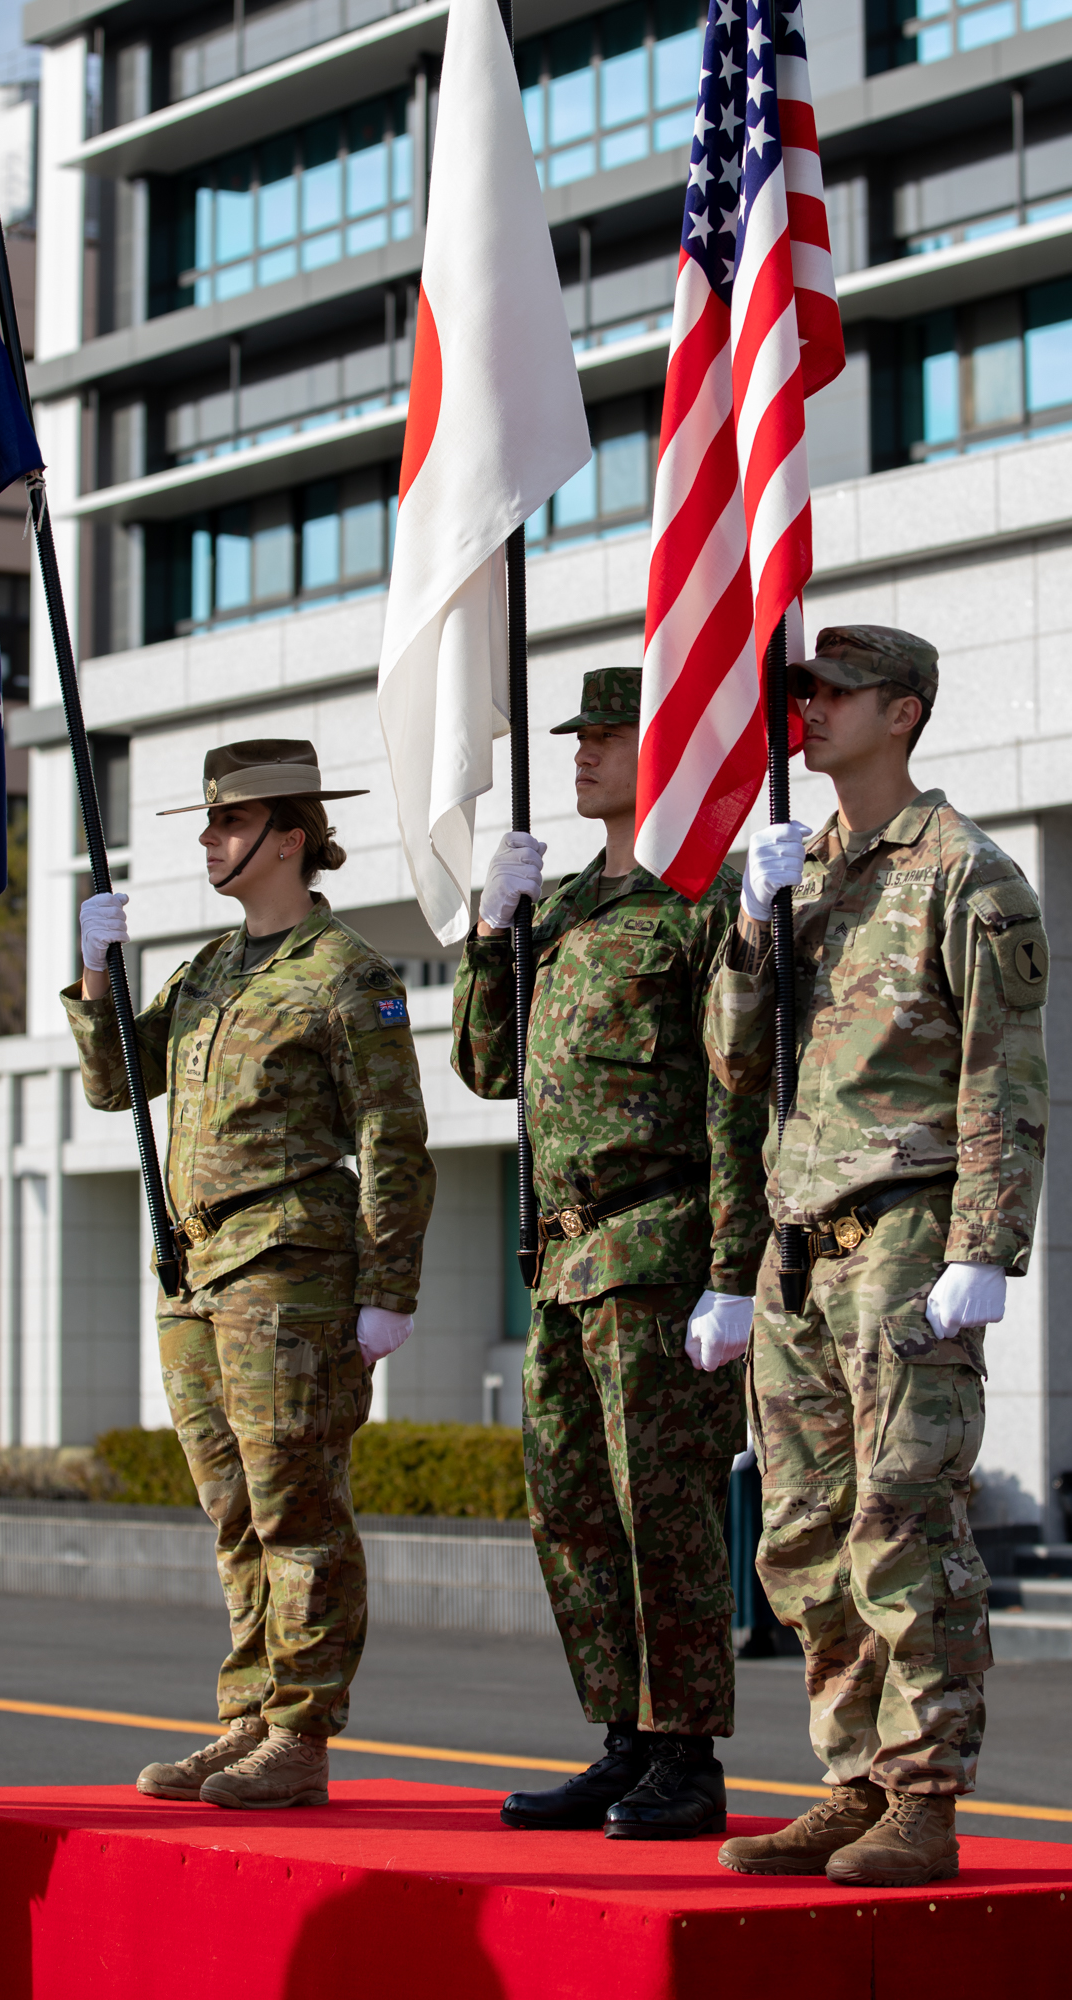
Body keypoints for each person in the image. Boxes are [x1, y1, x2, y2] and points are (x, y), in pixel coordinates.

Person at [705, 626, 1049, 1888]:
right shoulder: (798, 871)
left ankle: (921, 1795)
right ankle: (850, 1779)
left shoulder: (966, 872)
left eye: (833, 693)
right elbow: (733, 1062)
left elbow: (1002, 1072)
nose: (807, 712)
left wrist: (984, 1244)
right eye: (801, 693)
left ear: (901, 711)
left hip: (904, 1230)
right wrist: (752, 923)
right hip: (797, 1241)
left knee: (902, 1520)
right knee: (801, 1536)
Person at [63, 739, 436, 1811]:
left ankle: (300, 1731)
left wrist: (388, 1288)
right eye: (210, 820)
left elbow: (394, 1140)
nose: (208, 838)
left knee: (294, 1505)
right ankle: (248, 1717)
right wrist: (96, 975)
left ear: (289, 837)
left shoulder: (346, 973)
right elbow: (114, 1085)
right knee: (231, 1509)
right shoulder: (209, 969)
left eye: (228, 821)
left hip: (290, 1269)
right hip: (193, 1269)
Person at [452, 668, 770, 1840]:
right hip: (561, 1257)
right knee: (572, 1509)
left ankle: (686, 1752)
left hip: (658, 1243)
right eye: (577, 734)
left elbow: (739, 1100)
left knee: (661, 1508)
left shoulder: (706, 902)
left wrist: (731, 1272)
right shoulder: (567, 908)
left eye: (606, 734)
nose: (581, 753)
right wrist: (491, 934)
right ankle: (624, 1736)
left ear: (667, 745)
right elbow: (486, 1067)